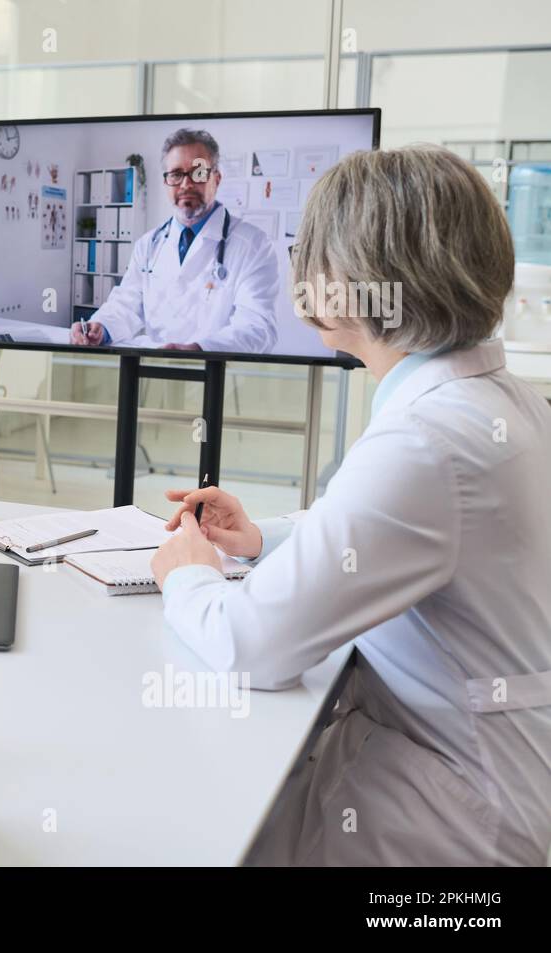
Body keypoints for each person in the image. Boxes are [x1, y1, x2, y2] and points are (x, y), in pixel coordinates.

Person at [149, 145, 551, 865]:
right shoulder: (499, 401)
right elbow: (414, 532)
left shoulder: (427, 439)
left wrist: (188, 570)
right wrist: (262, 538)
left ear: (366, 281)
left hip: (460, 828)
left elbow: (253, 647)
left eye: (314, 253)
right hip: (487, 768)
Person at [70, 128, 279, 353]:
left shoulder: (254, 245)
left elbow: (258, 327)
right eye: (176, 174)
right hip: (155, 369)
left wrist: (200, 349)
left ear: (216, 179)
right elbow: (127, 303)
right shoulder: (148, 244)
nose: (186, 184)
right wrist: (102, 327)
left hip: (218, 374)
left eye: (198, 172)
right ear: (166, 181)